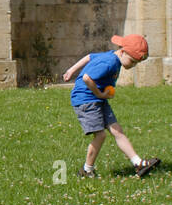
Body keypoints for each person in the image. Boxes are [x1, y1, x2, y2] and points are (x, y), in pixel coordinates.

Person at [62, 34, 160, 179]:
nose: (133, 65)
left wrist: (71, 69)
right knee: (100, 135)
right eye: (132, 61)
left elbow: (89, 56)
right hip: (85, 99)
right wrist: (101, 94)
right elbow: (86, 78)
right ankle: (86, 170)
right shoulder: (109, 62)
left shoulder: (113, 58)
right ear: (122, 52)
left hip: (97, 98)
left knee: (117, 131)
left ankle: (138, 163)